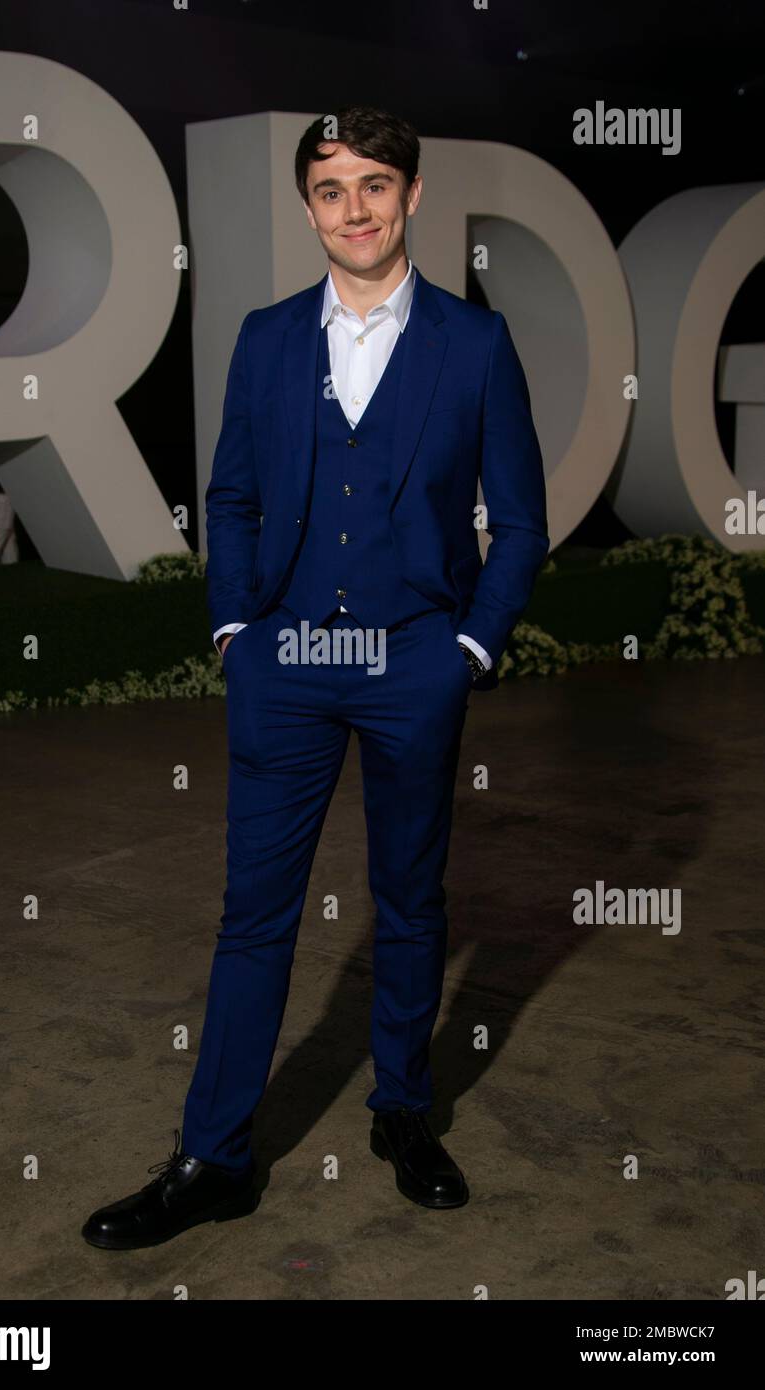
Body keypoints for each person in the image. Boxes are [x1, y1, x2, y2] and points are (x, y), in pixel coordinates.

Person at [82, 105, 549, 1250]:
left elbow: (523, 524)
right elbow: (231, 496)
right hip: (284, 663)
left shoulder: (473, 345)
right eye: (332, 188)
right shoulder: (264, 336)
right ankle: (215, 1156)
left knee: (408, 903)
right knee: (254, 916)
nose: (355, 208)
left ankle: (401, 1112)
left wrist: (466, 652)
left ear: (411, 197)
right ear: (308, 207)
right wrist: (238, 630)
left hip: (411, 664)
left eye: (375, 185)